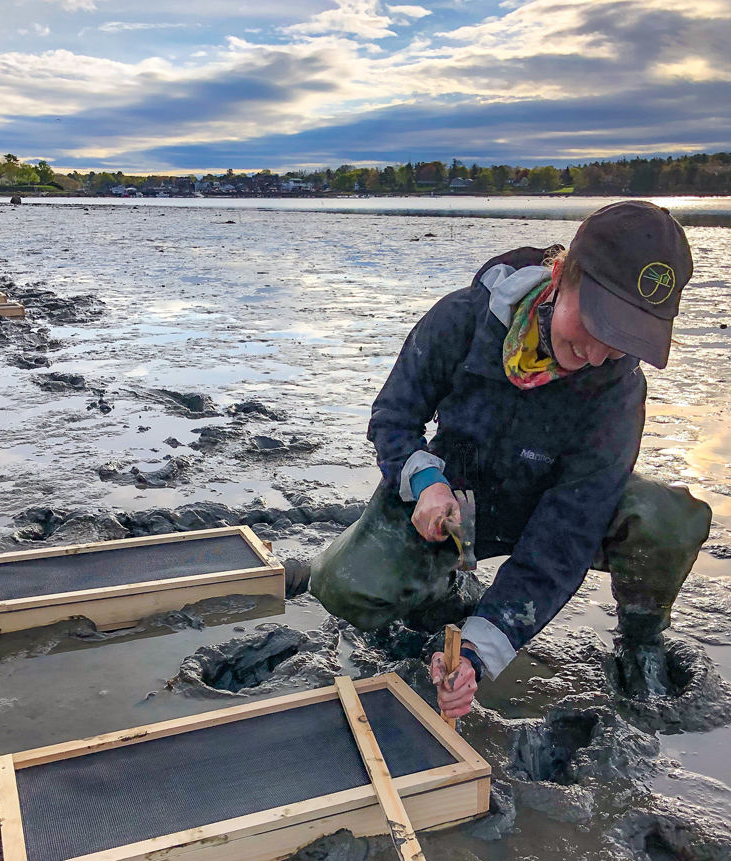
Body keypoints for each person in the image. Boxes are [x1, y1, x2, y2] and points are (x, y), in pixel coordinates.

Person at [304, 201, 711, 716]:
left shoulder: (620, 392)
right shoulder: (463, 318)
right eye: (595, 323)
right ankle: (446, 597)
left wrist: (477, 650)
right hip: (461, 502)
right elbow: (393, 418)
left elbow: (565, 535)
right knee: (342, 585)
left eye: (624, 339)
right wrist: (426, 480)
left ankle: (640, 641)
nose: (599, 352)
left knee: (665, 517)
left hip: (548, 509)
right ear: (563, 272)